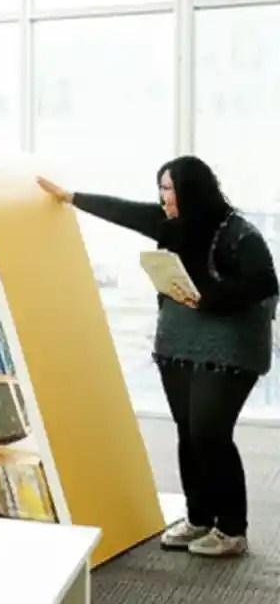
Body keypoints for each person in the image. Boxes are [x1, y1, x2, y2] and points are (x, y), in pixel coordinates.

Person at [37, 156, 278, 558]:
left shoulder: (240, 234)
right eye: (161, 189)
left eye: (169, 189)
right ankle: (199, 518)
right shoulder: (172, 224)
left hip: (231, 349)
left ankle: (232, 528)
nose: (163, 197)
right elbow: (123, 211)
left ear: (191, 191)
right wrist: (70, 197)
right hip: (178, 345)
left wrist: (210, 300)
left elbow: (266, 283)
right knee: (187, 432)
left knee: (210, 433)